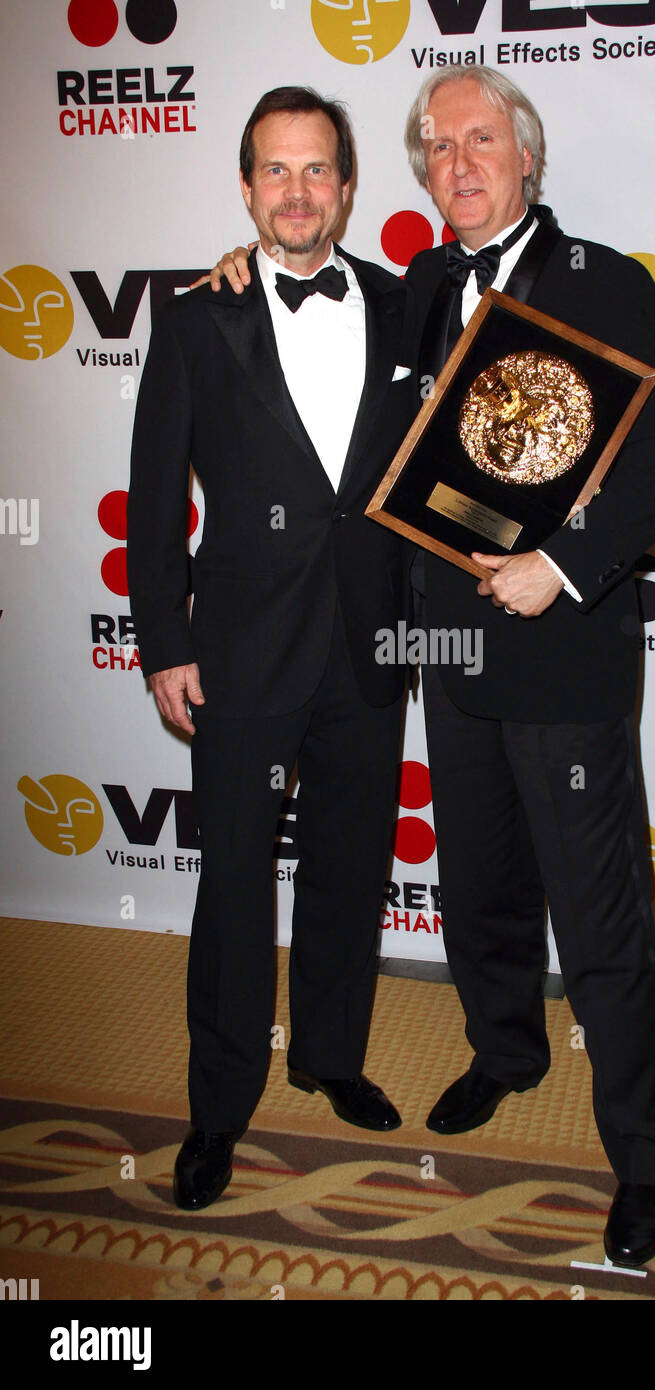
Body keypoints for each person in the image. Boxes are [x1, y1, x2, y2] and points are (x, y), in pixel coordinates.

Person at [209, 66, 655, 1268]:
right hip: (448, 653)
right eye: (438, 145)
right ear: (421, 173)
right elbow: (301, 319)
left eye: (483, 138)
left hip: (566, 656)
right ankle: (504, 1051)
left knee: (599, 926)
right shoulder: (417, 288)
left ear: (526, 157)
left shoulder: (605, 284)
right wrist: (235, 271)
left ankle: (645, 1159)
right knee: (483, 889)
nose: (461, 162)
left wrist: (566, 567)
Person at [127, 86, 415, 1212]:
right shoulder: (199, 316)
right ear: (247, 188)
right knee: (236, 879)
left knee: (351, 864)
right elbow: (155, 494)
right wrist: (162, 638)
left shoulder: (403, 305)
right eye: (276, 171)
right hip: (240, 648)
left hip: (370, 638)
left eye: (318, 171)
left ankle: (332, 1056)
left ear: (347, 186)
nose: (298, 192)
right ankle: (218, 1105)